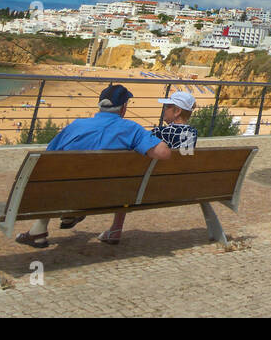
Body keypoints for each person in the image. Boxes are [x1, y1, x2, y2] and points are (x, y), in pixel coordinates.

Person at [15, 84, 171, 249]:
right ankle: (73, 215)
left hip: (64, 196)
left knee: (57, 176)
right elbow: (164, 153)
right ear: (123, 107)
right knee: (120, 180)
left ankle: (45, 226)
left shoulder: (75, 125)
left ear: (100, 106)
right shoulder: (132, 129)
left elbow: (49, 156)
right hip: (109, 197)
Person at [101, 89, 198, 244]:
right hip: (178, 186)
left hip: (148, 189)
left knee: (125, 183)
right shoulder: (193, 133)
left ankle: (115, 230)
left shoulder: (159, 132)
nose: (164, 110)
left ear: (177, 111)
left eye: (167, 107)